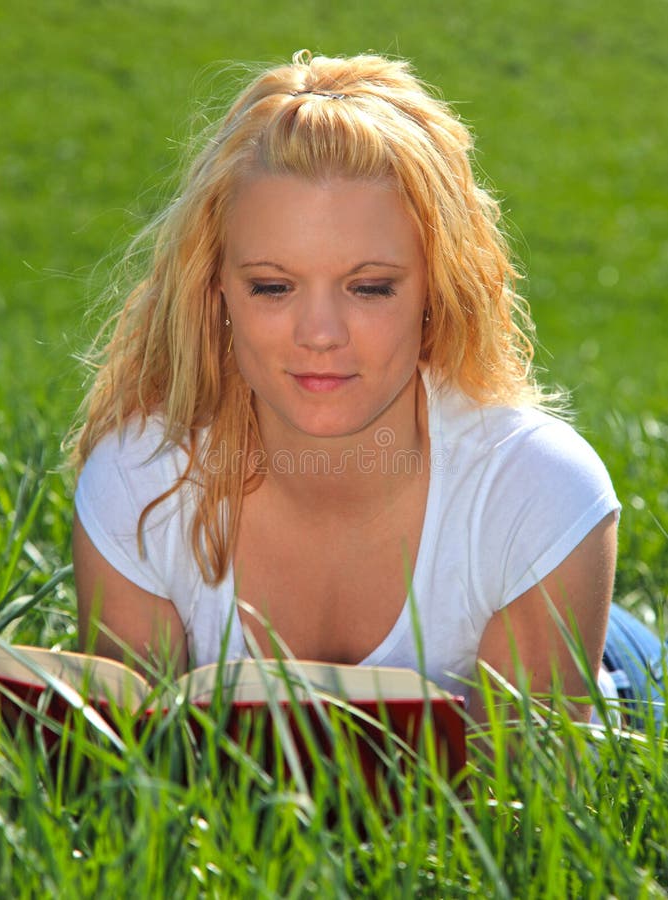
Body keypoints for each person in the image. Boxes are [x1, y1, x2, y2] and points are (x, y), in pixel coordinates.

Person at [69, 50, 659, 726]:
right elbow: (124, 777)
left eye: (370, 287)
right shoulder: (140, 484)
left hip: (616, 674)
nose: (319, 332)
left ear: (436, 289)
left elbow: (518, 814)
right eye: (272, 286)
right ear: (216, 289)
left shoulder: (536, 487)